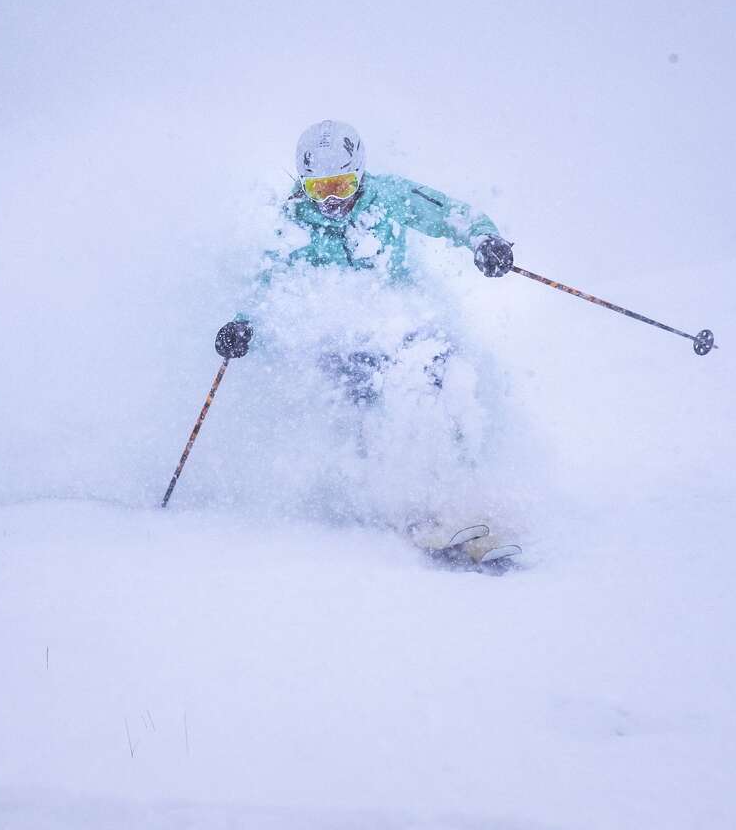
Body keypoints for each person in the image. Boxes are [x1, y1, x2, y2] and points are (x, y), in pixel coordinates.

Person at [212, 120, 519, 567]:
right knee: (372, 399)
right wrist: (244, 326)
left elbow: (449, 214)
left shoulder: (389, 196)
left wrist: (485, 239)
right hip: (341, 335)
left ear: (360, 174)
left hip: (403, 320)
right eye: (320, 189)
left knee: (443, 383)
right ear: (304, 186)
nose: (333, 199)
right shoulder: (294, 224)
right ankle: (407, 506)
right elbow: (269, 280)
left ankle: (468, 502)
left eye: (342, 184)